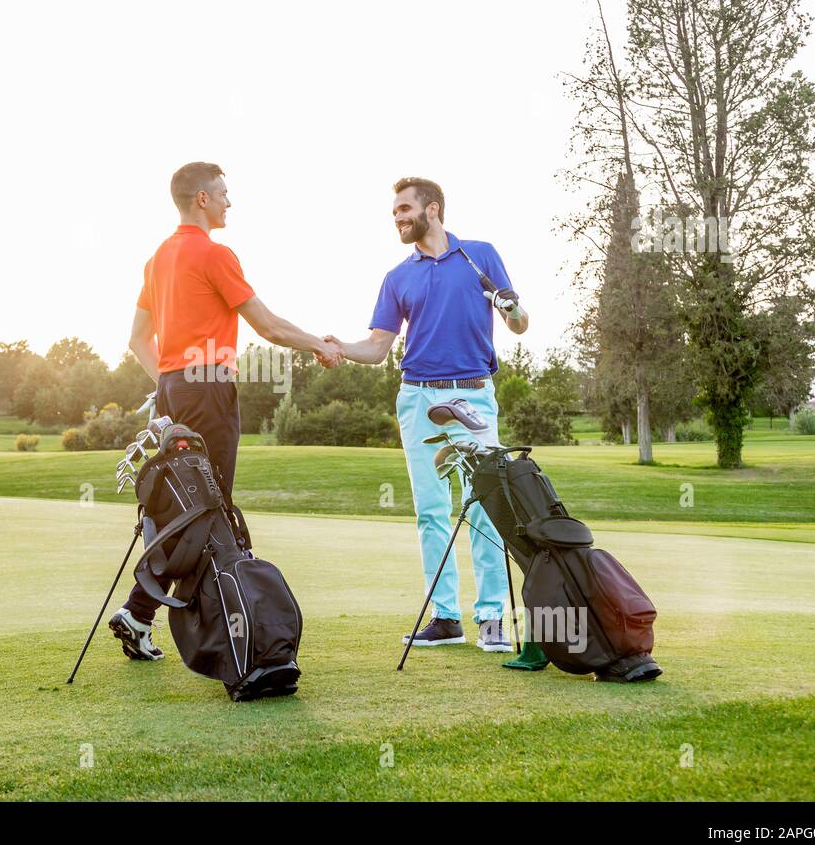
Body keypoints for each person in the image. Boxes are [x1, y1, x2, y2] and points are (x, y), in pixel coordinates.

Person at [108, 161, 341, 661]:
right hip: (208, 389)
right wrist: (318, 346)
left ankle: (140, 613)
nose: (229, 201)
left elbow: (136, 339)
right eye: (223, 193)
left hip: (174, 389)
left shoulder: (157, 259)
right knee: (208, 505)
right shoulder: (215, 255)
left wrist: (172, 381)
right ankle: (212, 627)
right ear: (202, 201)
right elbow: (269, 326)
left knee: (183, 504)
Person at [325, 177, 528, 652]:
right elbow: (377, 347)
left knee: (484, 504)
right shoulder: (398, 277)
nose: (397, 217)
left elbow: (519, 325)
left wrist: (513, 309)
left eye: (404, 209)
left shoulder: (480, 255)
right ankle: (444, 617)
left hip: (474, 394)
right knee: (431, 511)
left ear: (432, 209)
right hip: (419, 397)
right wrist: (336, 348)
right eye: (394, 212)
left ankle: (493, 618)